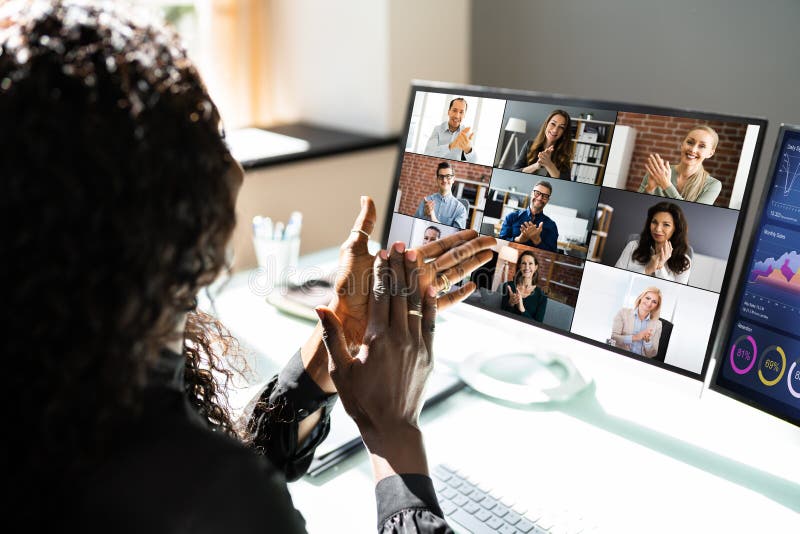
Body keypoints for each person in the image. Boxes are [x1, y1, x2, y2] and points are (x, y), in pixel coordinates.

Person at [3, 2, 498, 532]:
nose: (235, 171)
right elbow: (223, 485)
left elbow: (227, 456)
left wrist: (335, 344)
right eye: (210, 141)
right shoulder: (208, 499)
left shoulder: (70, 377)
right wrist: (393, 427)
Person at [638, 125, 722, 204]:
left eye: (702, 146)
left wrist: (666, 185)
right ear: (682, 145)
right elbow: (636, 204)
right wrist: (649, 189)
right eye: (690, 142)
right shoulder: (658, 172)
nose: (693, 149)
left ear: (710, 153)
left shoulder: (712, 185)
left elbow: (693, 214)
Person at [615, 202, 692, 284]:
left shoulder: (684, 262)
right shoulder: (633, 246)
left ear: (676, 228)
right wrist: (647, 269)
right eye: (654, 222)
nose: (658, 229)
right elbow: (616, 278)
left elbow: (673, 294)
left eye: (666, 224)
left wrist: (660, 266)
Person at [498, 180, 559, 252]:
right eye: (537, 193)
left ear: (548, 200)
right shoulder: (511, 217)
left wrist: (537, 241)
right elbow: (500, 242)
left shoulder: (551, 226)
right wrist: (518, 240)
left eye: (545, 196)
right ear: (531, 193)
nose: (539, 198)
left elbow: (552, 253)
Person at [512, 109, 572, 179]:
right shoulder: (529, 145)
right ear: (546, 124)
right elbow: (514, 172)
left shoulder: (564, 154)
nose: (555, 130)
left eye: (561, 127)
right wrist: (536, 166)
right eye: (553, 124)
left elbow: (566, 181)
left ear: (564, 132)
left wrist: (549, 164)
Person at [610, 287, 664, 358]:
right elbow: (613, 338)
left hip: (640, 362)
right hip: (620, 357)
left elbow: (652, 354)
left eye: (654, 302)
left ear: (657, 306)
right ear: (641, 297)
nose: (649, 303)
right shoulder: (623, 313)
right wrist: (635, 337)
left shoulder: (657, 324)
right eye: (647, 298)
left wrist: (647, 341)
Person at [414, 161, 468, 228]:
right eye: (441, 176)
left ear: (453, 179)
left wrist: (433, 217)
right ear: (437, 179)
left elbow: (456, 236)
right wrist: (424, 216)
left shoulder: (460, 209)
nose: (444, 180)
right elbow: (415, 225)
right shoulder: (426, 202)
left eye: (448, 176)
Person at [423, 96, 477, 162]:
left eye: (461, 112)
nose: (457, 116)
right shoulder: (437, 129)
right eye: (454, 110)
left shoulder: (466, 133)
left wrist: (468, 150)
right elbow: (428, 154)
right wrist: (451, 145)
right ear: (449, 112)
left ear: (464, 115)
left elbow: (474, 161)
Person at [500, 251, 547, 321]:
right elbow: (500, 316)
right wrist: (510, 304)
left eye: (530, 263)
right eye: (524, 263)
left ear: (536, 267)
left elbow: (538, 325)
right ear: (519, 266)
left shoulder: (542, 295)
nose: (527, 267)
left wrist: (522, 309)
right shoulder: (508, 286)